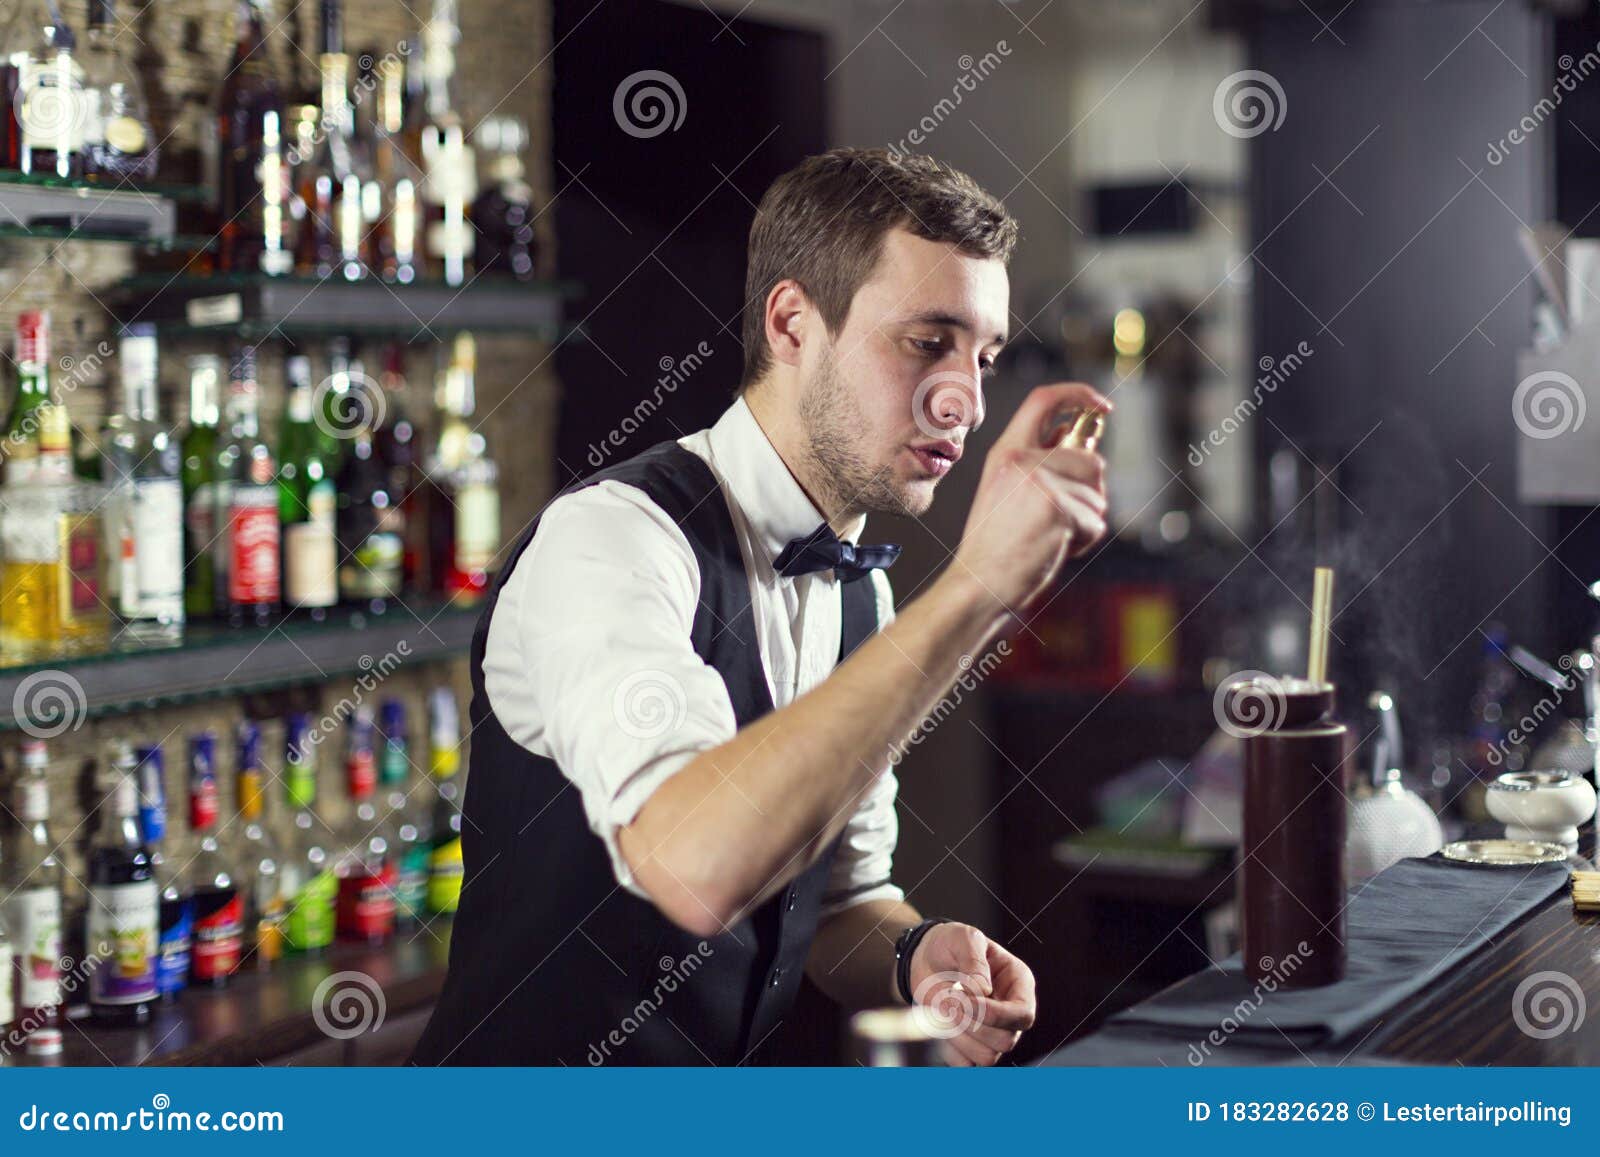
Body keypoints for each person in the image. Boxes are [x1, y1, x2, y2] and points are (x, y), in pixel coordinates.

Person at [408, 146, 1109, 1067]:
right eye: (927, 341)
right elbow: (696, 868)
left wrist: (913, 956)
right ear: (790, 322)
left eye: (984, 356)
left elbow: (839, 906)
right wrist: (979, 589)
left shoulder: (864, 591)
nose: (965, 402)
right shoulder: (612, 540)